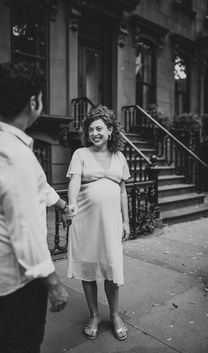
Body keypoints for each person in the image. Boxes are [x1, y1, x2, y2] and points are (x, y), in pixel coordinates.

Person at [0, 62, 72, 353]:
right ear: (33, 102)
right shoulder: (14, 155)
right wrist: (53, 284)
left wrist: (62, 204)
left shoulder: (13, 147)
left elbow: (40, 187)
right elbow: (26, 232)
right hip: (16, 286)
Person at [67, 104, 130, 341]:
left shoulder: (119, 156)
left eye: (100, 128)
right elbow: (74, 182)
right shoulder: (80, 154)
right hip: (86, 221)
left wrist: (126, 221)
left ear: (111, 130)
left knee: (112, 268)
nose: (94, 133)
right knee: (89, 268)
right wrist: (71, 205)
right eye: (91, 129)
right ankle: (93, 314)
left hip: (111, 223)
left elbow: (123, 191)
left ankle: (114, 315)